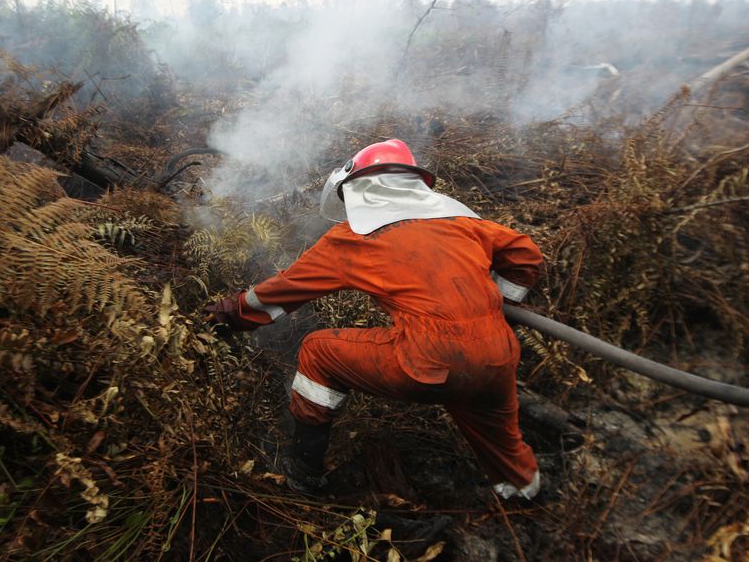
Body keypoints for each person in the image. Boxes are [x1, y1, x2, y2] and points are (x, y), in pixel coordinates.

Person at [205, 139, 543, 499]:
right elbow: (526, 255)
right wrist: (502, 304)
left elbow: (286, 289)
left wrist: (234, 312)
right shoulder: (466, 224)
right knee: (504, 445)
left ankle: (303, 472)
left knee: (318, 351)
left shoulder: (354, 237)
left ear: (360, 188)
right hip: (499, 355)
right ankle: (524, 496)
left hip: (429, 363)